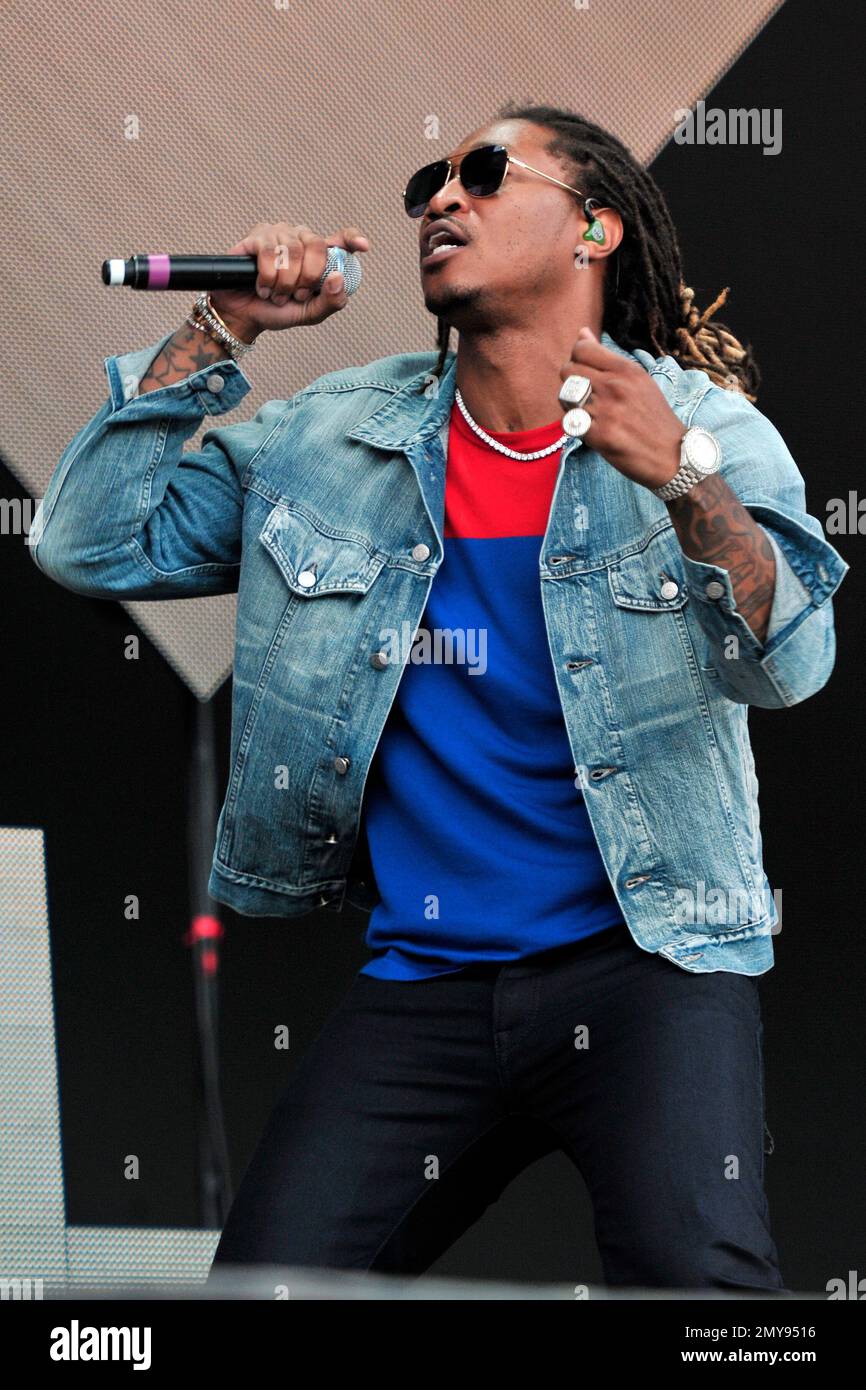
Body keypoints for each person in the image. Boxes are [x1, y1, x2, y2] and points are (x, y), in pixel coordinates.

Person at [33, 104, 848, 1290]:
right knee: (263, 1293)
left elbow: (792, 662)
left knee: (703, 1294)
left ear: (594, 229)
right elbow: (86, 545)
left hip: (647, 969)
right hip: (428, 984)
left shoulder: (705, 429)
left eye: (480, 174)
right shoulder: (329, 440)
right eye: (430, 181)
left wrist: (684, 481)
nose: (439, 202)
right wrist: (222, 327)